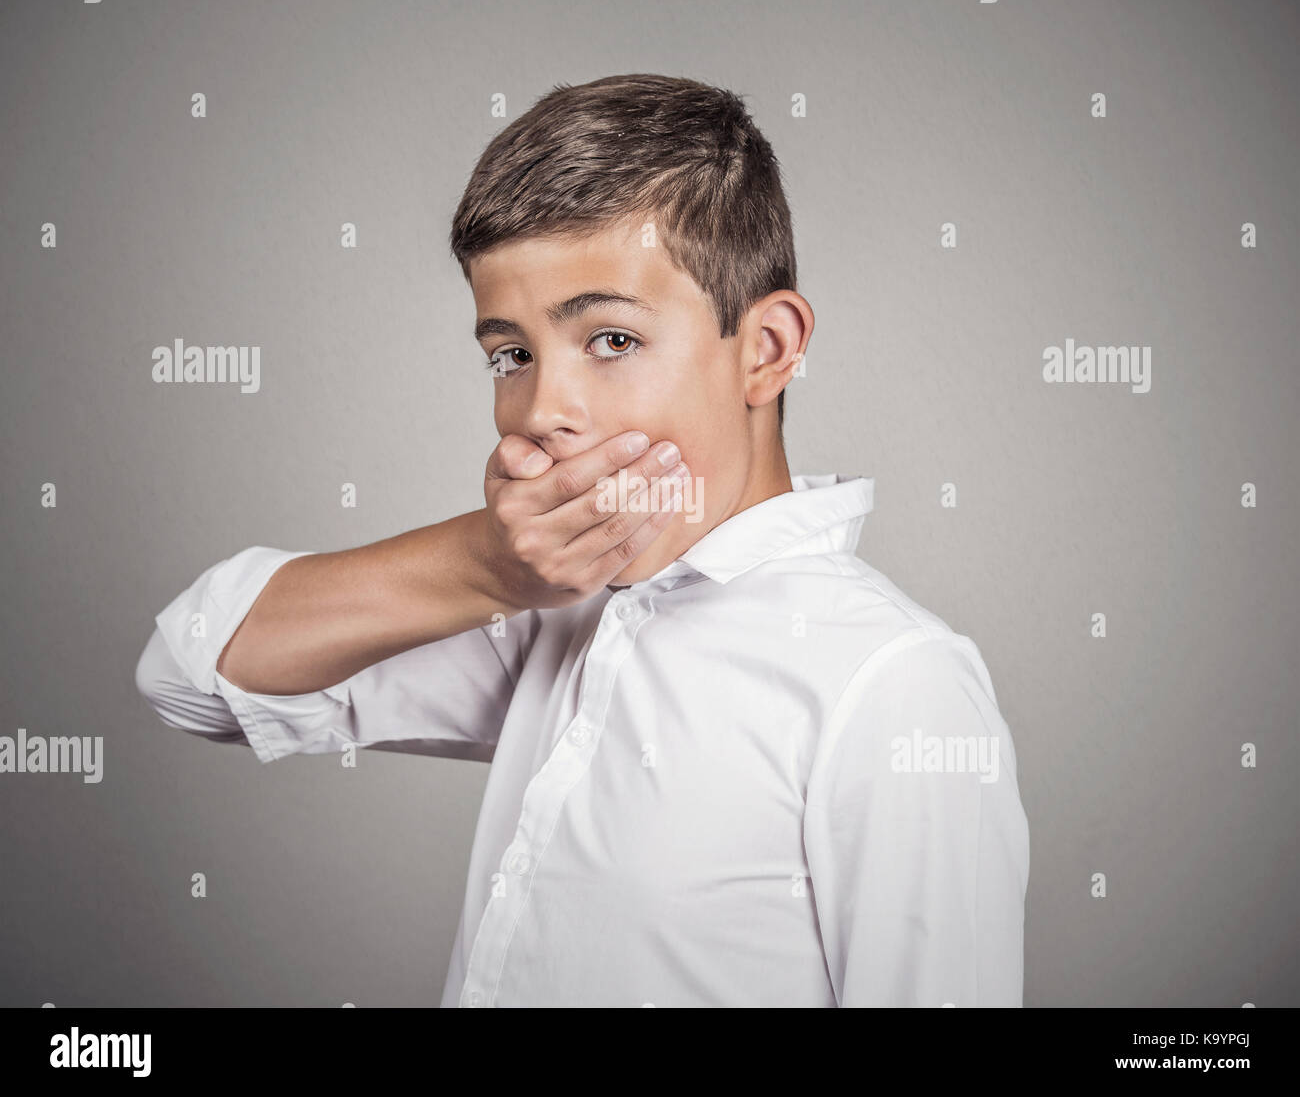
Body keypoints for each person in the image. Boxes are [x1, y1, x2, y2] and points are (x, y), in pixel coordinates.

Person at [135, 73, 1030, 1007]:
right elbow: (189, 676)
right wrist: (482, 562)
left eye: (609, 339)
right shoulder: (548, 609)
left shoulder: (893, 684)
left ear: (765, 349)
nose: (542, 410)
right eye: (511, 354)